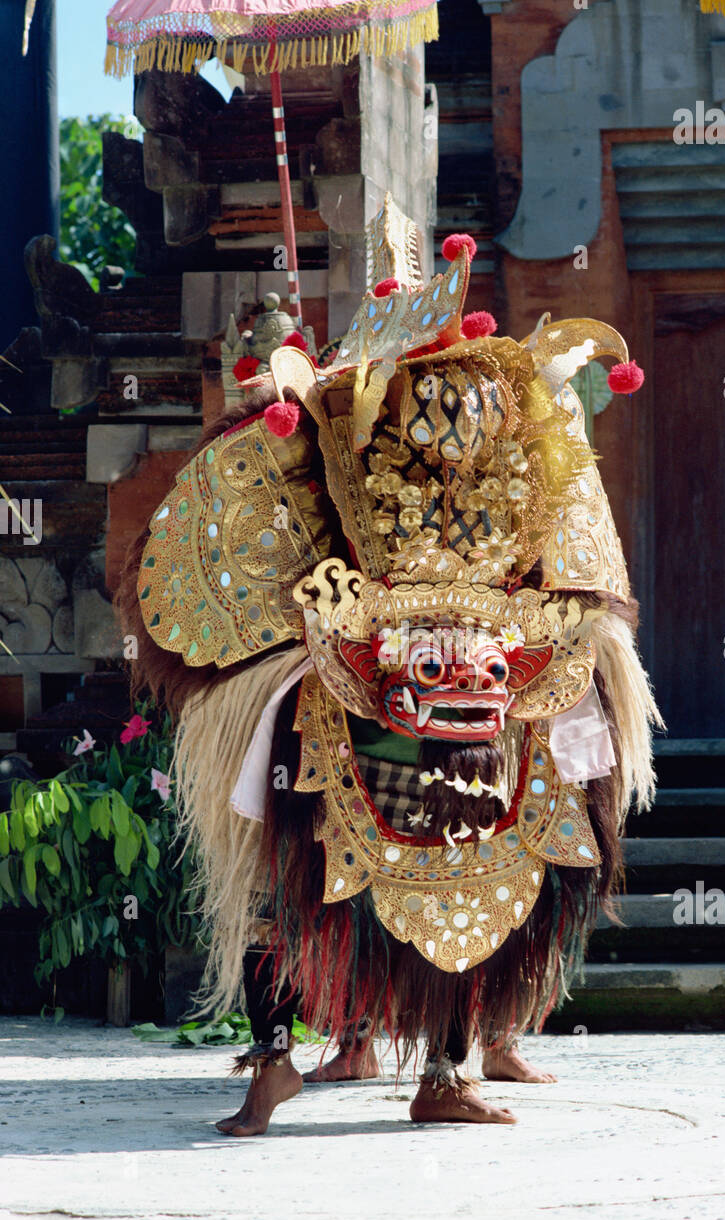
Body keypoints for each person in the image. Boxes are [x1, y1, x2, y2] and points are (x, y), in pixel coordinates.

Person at [117, 197, 660, 1129]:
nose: (441, 421)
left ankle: (453, 1063)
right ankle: (279, 1060)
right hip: (359, 668)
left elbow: (570, 554)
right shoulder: (335, 413)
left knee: (572, 783)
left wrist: (566, 635)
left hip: (495, 677)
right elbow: (287, 533)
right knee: (272, 851)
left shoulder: (523, 421)